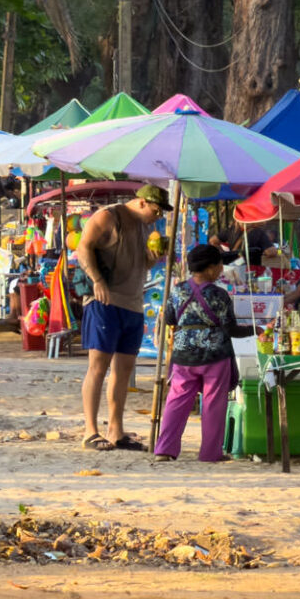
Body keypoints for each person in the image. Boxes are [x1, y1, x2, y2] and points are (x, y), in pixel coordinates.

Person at [77, 183, 171, 451]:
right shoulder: (110, 216)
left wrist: (153, 258)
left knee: (124, 368)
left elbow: (140, 263)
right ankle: (90, 431)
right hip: (104, 300)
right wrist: (97, 280)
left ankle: (115, 430)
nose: (158, 217)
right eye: (155, 210)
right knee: (98, 365)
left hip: (133, 303)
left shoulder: (145, 228)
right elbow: (83, 248)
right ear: (141, 202)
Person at [152, 244, 251, 464]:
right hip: (215, 356)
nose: (220, 269)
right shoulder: (219, 295)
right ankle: (210, 453)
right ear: (210, 268)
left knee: (176, 401)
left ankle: (164, 450)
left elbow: (169, 319)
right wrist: (256, 330)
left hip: (183, 355)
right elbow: (231, 329)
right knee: (213, 404)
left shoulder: (177, 291)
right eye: (219, 265)